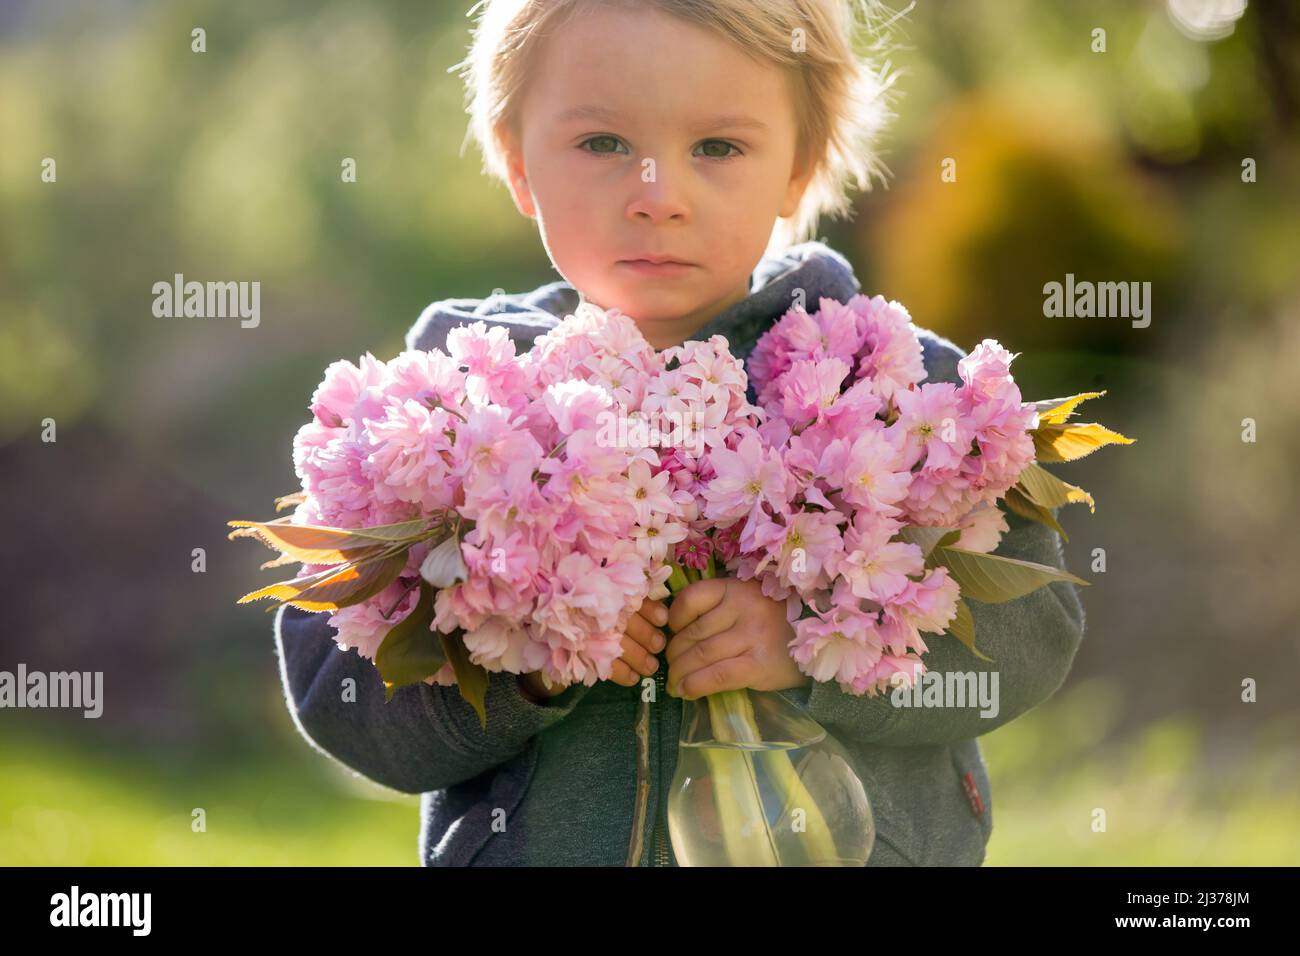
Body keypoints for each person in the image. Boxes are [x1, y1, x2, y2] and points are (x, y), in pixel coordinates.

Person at [275, 0, 1086, 866]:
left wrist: (818, 648)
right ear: (518, 163)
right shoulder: (447, 413)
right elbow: (342, 692)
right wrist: (519, 664)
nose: (658, 196)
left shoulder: (897, 392)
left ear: (796, 167)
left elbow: (1031, 635)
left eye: (718, 147)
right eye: (602, 144)